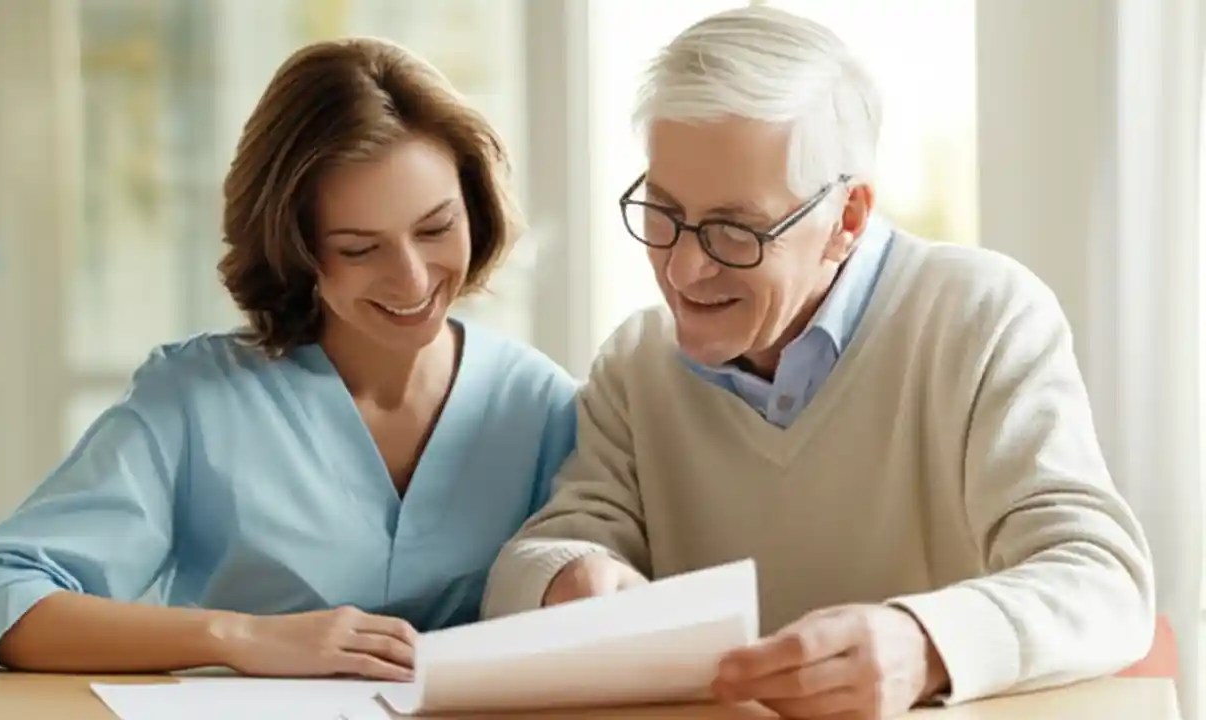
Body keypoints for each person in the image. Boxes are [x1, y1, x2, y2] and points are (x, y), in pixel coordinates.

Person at [483, 6, 1154, 719]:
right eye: (663, 210)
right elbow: (547, 549)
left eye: (733, 231)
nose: (682, 268)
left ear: (848, 219)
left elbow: (1103, 580)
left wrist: (924, 644)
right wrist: (567, 577)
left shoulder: (980, 318)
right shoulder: (637, 363)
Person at [0, 38, 577, 681]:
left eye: (436, 228)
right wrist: (239, 638)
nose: (412, 280)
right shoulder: (196, 400)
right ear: (293, 250)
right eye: (359, 249)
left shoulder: (542, 406)